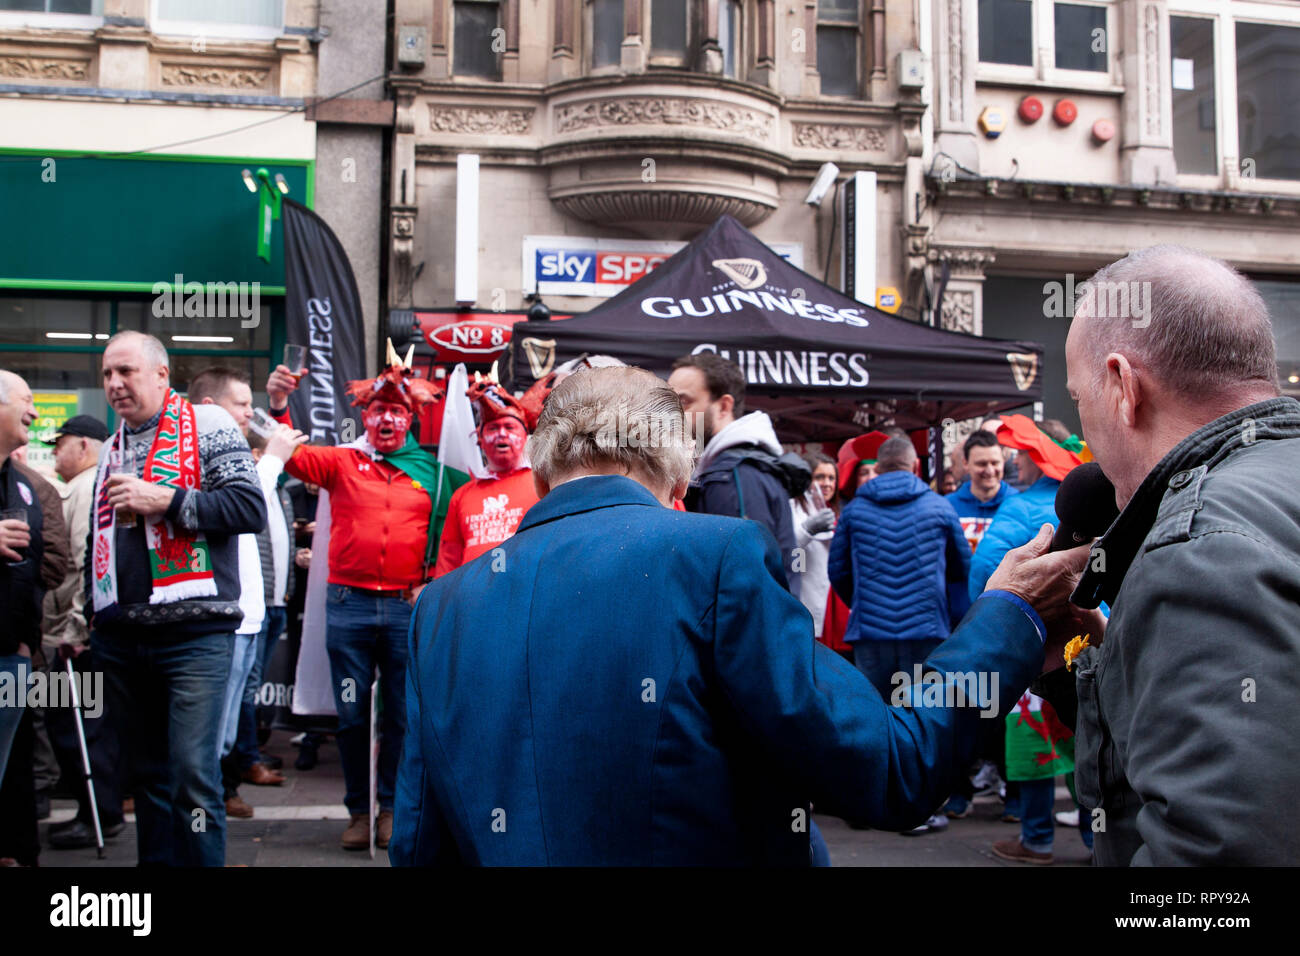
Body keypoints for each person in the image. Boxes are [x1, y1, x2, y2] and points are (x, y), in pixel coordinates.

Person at [390, 366, 1089, 866]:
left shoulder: (443, 609)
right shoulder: (714, 556)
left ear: (542, 476)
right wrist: (1010, 617)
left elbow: (420, 842)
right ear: (680, 475)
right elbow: (892, 765)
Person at [1056, 245, 1300, 865]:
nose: (1085, 430)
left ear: (1121, 386)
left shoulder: (1199, 553)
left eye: (1079, 399)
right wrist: (1110, 659)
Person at [88, 332, 265, 867]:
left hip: (192, 638)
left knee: (192, 776)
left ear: (163, 375)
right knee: (148, 778)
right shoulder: (113, 445)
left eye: (126, 371)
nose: (115, 384)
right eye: (106, 375)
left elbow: (248, 508)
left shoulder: (207, 424)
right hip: (123, 638)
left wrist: (167, 500)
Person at [264, 351, 442, 851]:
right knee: (351, 714)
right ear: (365, 417)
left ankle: (390, 809)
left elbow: (448, 526)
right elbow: (290, 454)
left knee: (400, 717)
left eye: (397, 411)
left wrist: (429, 577)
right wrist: (280, 402)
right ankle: (359, 811)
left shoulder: (428, 470)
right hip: (349, 606)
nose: (387, 418)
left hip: (405, 606)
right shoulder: (342, 462)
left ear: (410, 419)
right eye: (378, 410)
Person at [827, 436, 972, 835]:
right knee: (922, 720)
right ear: (914, 466)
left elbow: (837, 572)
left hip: (870, 633)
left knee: (870, 718)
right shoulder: (939, 507)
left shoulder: (854, 510)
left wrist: (863, 603)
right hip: (926, 631)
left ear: (880, 467)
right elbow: (963, 569)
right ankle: (918, 810)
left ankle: (864, 805)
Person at [963, 415, 1086, 863]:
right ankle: (1098, 839)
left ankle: (1036, 839)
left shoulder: (1018, 509)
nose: (1015, 465)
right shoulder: (1098, 496)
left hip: (1034, 646)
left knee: (1035, 741)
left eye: (1020, 456)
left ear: (1035, 459)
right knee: (1088, 739)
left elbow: (986, 577)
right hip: (1094, 640)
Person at [187, 367, 278, 827]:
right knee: (205, 743)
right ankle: (200, 839)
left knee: (221, 737)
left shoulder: (236, 451)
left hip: (250, 618)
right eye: (241, 404)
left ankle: (206, 836)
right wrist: (275, 459)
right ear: (208, 409)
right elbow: (245, 508)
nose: (250, 413)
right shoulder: (196, 455)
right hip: (224, 621)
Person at [38, 415, 128, 851]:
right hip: (75, 632)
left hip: (72, 639)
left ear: (85, 447)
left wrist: (75, 629)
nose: (56, 452)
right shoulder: (93, 485)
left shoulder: (85, 489)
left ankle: (98, 815)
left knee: (75, 728)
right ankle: (96, 811)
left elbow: (81, 563)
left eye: (62, 444)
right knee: (81, 726)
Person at [0, 371, 69, 867]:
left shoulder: (24, 486)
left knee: (10, 769)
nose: (34, 412)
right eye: (26, 401)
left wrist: (26, 645)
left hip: (13, 659)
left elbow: (43, 567)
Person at [668, 353, 804, 591]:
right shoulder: (738, 467)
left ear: (723, 406)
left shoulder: (732, 475)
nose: (670, 416)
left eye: (683, 403)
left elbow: (745, 582)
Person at [434, 379, 540, 577]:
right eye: (493, 428)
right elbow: (449, 557)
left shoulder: (542, 485)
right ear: (480, 439)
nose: (501, 434)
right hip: (472, 597)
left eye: (509, 427)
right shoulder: (462, 495)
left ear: (525, 436)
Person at [790, 452, 837, 647]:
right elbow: (789, 554)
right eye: (820, 477)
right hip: (807, 603)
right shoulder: (792, 507)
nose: (826, 483)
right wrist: (807, 530)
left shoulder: (834, 510)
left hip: (834, 606)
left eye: (831, 477)